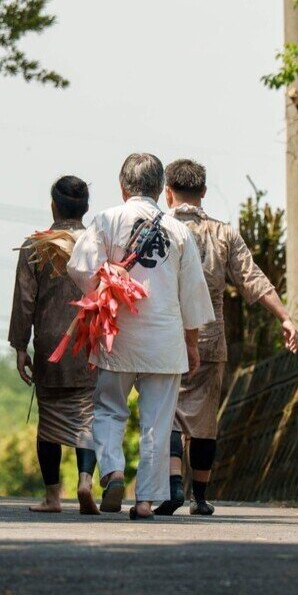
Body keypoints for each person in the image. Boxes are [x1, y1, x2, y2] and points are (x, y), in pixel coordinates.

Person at [67, 153, 214, 520]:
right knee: (157, 423)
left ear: (123, 186)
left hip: (118, 334)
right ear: (160, 189)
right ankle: (146, 501)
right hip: (164, 340)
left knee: (108, 409)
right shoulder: (179, 231)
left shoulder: (107, 219)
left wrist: (104, 291)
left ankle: (113, 470)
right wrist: (192, 344)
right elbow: (192, 292)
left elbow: (80, 267)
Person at [155, 159, 298, 517]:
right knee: (204, 420)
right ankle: (199, 497)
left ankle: (173, 484)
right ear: (203, 192)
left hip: (164, 333)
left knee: (168, 413)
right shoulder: (224, 234)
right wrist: (284, 316)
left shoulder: (156, 230)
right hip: (209, 335)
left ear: (167, 193)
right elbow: (252, 278)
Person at [9, 176, 101, 515]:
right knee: (86, 418)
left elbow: (24, 301)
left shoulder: (36, 245)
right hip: (90, 343)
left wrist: (20, 347)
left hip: (50, 346)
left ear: (53, 206)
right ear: (86, 208)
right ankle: (86, 481)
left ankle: (51, 497)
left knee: (49, 421)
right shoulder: (97, 244)